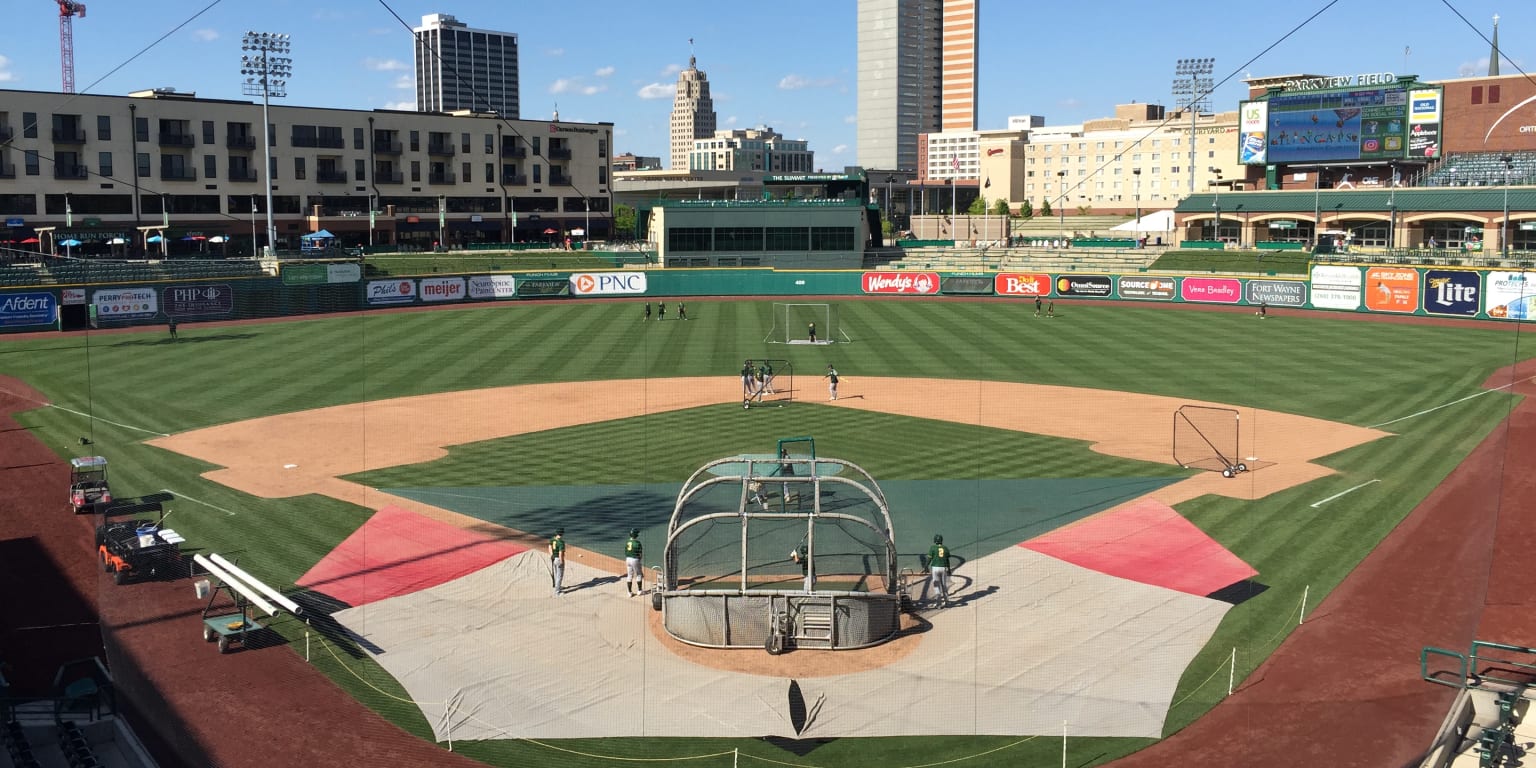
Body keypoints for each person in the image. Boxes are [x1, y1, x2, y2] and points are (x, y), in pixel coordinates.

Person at [927, 534, 952, 607]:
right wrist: (949, 569)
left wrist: (926, 566)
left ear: (935, 540)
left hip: (935, 568)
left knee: (936, 585)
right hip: (943, 568)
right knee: (944, 585)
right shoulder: (945, 548)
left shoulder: (932, 547)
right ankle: (947, 602)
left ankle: (938, 604)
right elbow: (947, 560)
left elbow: (929, 558)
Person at [623, 528, 644, 596]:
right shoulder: (638, 543)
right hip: (635, 560)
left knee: (629, 575)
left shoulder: (627, 542)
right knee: (639, 574)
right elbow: (640, 555)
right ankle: (639, 591)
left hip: (628, 559)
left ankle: (629, 592)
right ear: (636, 535)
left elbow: (625, 552)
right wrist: (639, 561)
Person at [549, 528, 567, 597]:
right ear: (562, 533)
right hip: (558, 559)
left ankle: (558, 586)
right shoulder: (561, 542)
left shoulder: (553, 539)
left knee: (556, 574)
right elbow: (560, 553)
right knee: (560, 575)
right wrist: (562, 561)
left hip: (553, 558)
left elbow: (549, 547)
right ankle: (557, 592)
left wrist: (551, 555)